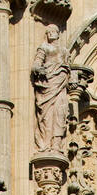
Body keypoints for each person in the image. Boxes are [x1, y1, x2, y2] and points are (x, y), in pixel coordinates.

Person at [31, 25, 70, 155]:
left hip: (61, 85)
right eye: (49, 32)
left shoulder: (64, 50)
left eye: (54, 31)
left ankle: (56, 145)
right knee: (47, 116)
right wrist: (38, 69)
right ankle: (46, 143)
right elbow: (37, 62)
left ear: (58, 34)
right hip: (48, 84)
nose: (51, 34)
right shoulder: (44, 47)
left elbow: (69, 67)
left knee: (60, 113)